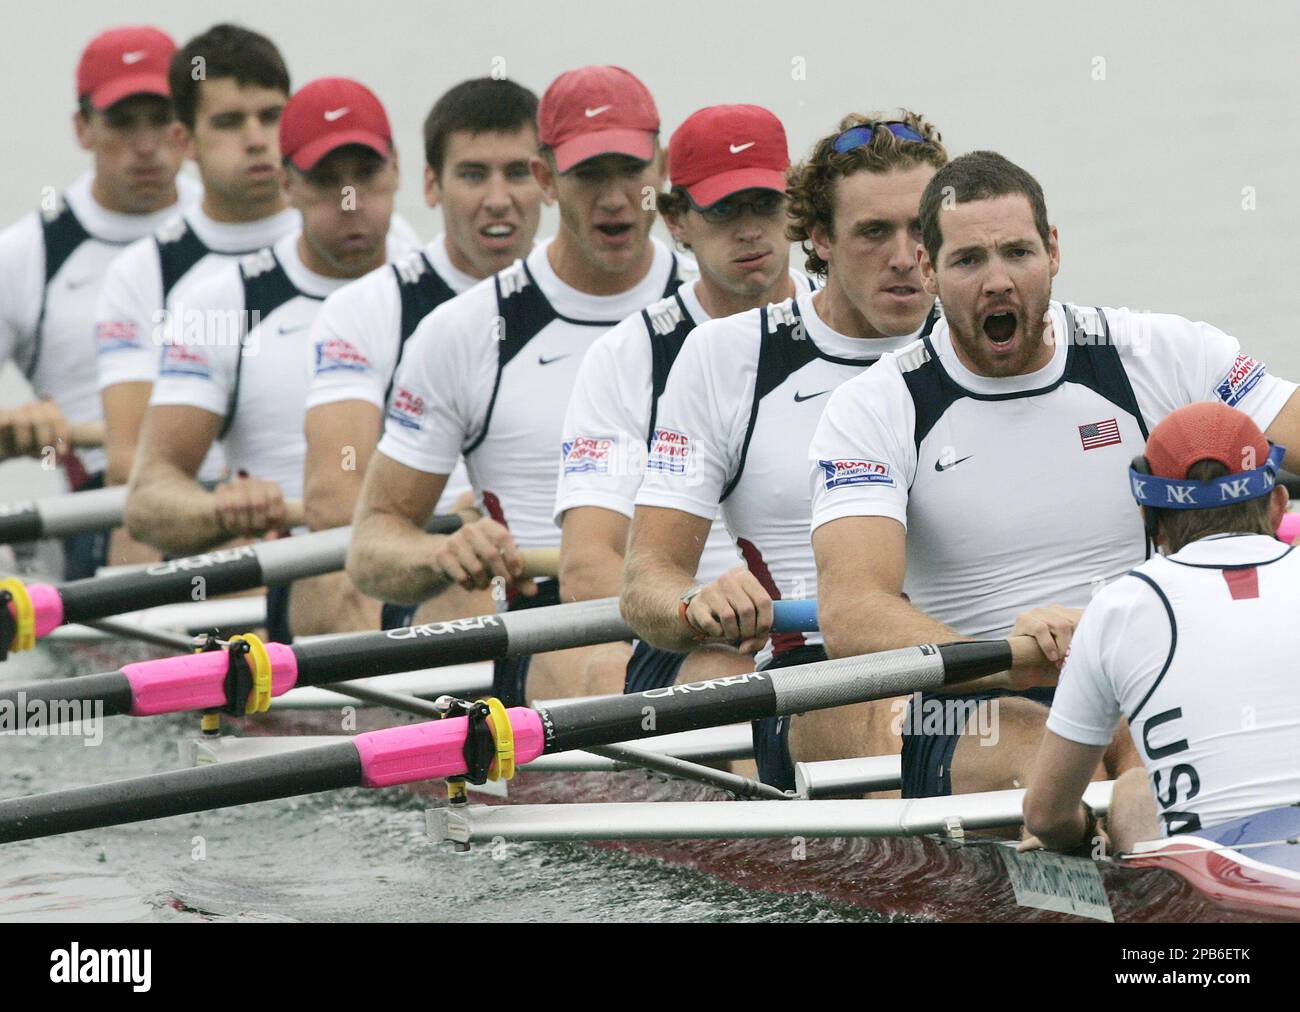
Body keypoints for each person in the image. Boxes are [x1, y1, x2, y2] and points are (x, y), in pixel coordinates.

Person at [809, 150, 1300, 801]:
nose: (998, 281)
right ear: (928, 268)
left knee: (1141, 754)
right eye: (968, 261)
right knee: (1054, 758)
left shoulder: (1158, 353)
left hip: (1143, 675)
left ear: (1054, 251)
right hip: (972, 700)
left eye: (1018, 252)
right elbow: (851, 612)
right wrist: (1010, 657)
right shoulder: (875, 408)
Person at [347, 65, 695, 704]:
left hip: (720, 609)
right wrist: (438, 555)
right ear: (547, 179)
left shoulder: (722, 308)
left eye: (630, 171)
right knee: (611, 672)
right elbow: (370, 546)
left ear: (663, 167)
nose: (615, 197)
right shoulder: (467, 330)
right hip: (557, 620)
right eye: (589, 174)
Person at [620, 113, 947, 789]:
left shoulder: (984, 337)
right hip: (813, 677)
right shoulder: (726, 358)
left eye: (921, 230)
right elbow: (644, 580)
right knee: (897, 719)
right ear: (821, 238)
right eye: (874, 233)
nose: (904, 257)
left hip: (979, 660)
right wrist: (693, 605)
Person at [124, 76, 418, 641]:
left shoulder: (451, 296)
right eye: (326, 181)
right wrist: (221, 510)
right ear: (287, 185)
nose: (350, 200)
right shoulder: (221, 303)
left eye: (366, 175)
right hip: (308, 566)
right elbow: (146, 499)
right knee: (346, 573)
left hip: (445, 560)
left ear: (399, 171)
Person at [557, 103, 815, 696]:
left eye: (765, 206)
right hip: (699, 643)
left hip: (843, 632)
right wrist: (693, 604)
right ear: (676, 219)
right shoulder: (631, 356)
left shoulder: (855, 319)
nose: (750, 230)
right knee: (735, 682)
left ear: (795, 206)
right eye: (724, 211)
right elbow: (588, 566)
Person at [296, 77, 544, 635]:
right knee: (465, 587)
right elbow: (337, 501)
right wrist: (447, 529)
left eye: (518, 172)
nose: (498, 198)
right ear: (431, 185)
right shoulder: (365, 308)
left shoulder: (598, 302)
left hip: (560, 562)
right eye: (474, 175)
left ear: (547, 182)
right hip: (433, 570)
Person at [1023, 401, 1300, 853]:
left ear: (1149, 519)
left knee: (1133, 793)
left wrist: (1086, 840)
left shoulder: (1118, 607)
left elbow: (1045, 815)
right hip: (1273, 874)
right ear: (1278, 505)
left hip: (1216, 873)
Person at [95, 23, 297, 565]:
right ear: (184, 142)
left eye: (271, 117)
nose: (257, 139)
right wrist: (230, 510)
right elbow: (127, 462)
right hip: (205, 534)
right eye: (230, 122)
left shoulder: (379, 243)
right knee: (132, 536)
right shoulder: (144, 272)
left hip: (320, 521)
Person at [0, 25, 195, 578]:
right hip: (110, 511)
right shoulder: (24, 255)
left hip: (251, 496)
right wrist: (16, 426)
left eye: (162, 118)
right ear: (82, 128)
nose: (147, 145)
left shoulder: (240, 232)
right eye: (122, 121)